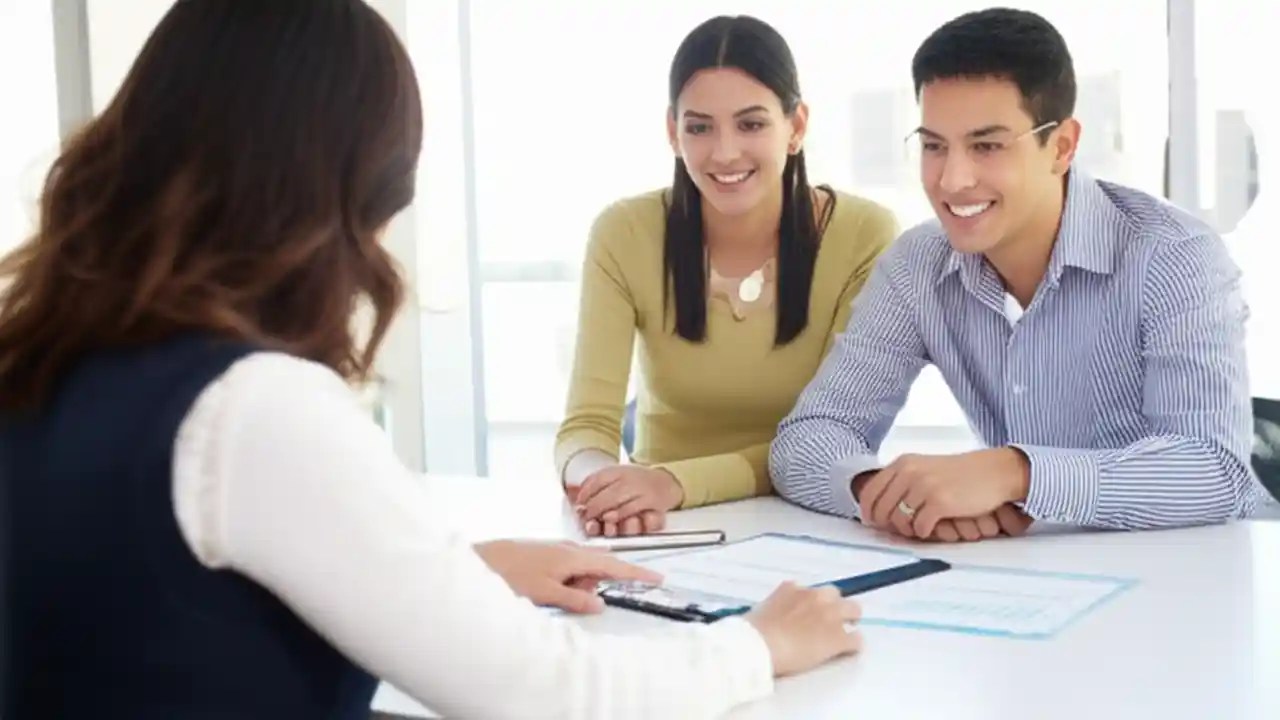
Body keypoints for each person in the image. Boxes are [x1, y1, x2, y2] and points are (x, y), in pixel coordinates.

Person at [0, 2, 864, 719]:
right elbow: (548, 693)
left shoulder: (49, 366)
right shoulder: (253, 408)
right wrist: (759, 643)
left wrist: (461, 570)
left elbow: (190, 596)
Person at [769, 7, 1264, 543]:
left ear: (1063, 147)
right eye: (934, 145)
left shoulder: (1173, 256)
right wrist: (889, 494)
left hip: (1196, 570)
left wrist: (1015, 473)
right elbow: (807, 439)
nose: (953, 180)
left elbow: (1214, 471)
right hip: (1028, 571)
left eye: (987, 146)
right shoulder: (917, 267)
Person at [558, 15, 898, 538]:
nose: (724, 152)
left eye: (751, 124)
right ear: (673, 132)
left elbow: (839, 437)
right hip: (662, 527)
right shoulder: (623, 233)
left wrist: (675, 482)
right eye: (699, 127)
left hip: (813, 526)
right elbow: (587, 425)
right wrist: (603, 486)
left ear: (796, 127)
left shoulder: (862, 235)